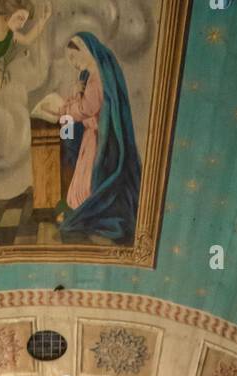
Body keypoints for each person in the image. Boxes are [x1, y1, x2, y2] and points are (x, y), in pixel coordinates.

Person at [55, 32, 142, 244]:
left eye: (74, 58)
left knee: (89, 177)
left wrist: (69, 103)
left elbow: (86, 109)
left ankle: (88, 212)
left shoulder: (96, 77)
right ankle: (80, 207)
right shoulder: (92, 74)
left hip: (97, 139)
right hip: (92, 135)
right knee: (83, 175)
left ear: (84, 51)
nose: (73, 64)